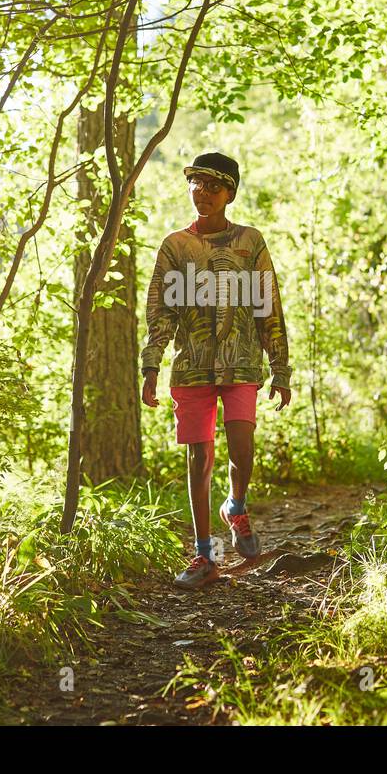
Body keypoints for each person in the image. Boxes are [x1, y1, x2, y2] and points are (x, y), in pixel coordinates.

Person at [141, 151, 292, 590]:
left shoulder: (250, 241)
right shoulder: (175, 245)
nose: (202, 193)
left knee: (241, 448)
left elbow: (269, 304)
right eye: (196, 184)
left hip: (242, 361)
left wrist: (279, 366)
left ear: (229, 193)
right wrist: (151, 365)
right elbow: (160, 310)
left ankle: (237, 506)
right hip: (191, 368)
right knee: (199, 456)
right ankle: (205, 554)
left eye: (213, 186)